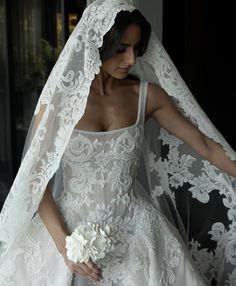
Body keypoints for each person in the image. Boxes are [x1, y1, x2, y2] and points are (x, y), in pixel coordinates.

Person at [0, 0, 236, 285]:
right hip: (67, 233)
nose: (131, 60)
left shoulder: (147, 97)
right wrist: (65, 248)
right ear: (97, 45)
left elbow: (208, 148)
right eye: (121, 49)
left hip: (138, 234)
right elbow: (35, 181)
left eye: (137, 49)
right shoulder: (58, 105)